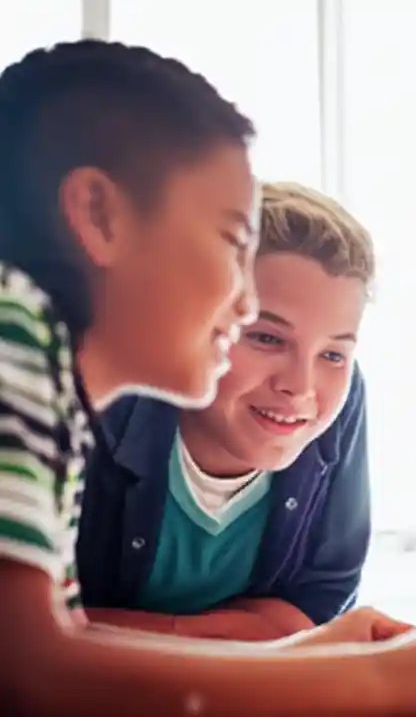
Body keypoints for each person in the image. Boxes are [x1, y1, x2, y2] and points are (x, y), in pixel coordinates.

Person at [0, 40, 416, 716]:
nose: (239, 302)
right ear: (100, 215)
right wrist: (387, 679)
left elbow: (59, 643)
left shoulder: (53, 388)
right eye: (232, 243)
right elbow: (27, 669)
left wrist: (302, 659)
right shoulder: (12, 329)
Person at [77, 182, 376, 640]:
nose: (300, 386)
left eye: (333, 354)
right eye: (267, 338)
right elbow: (29, 631)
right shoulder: (101, 398)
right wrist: (244, 635)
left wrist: (119, 633)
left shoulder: (344, 400)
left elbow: (318, 608)